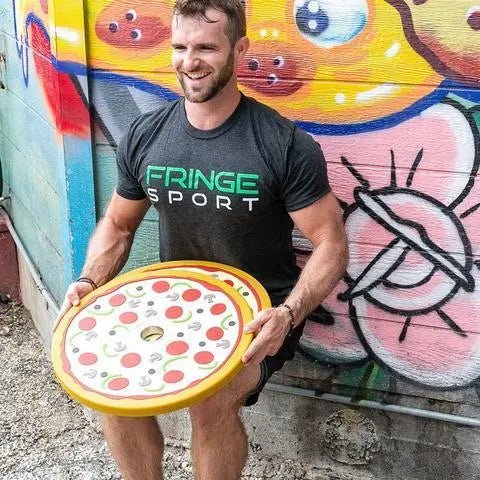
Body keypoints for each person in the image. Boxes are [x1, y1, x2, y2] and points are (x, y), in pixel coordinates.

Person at [57, 1, 348, 478]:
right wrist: (90, 280)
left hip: (260, 312)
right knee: (112, 390)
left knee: (212, 399)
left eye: (206, 48)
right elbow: (118, 225)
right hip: (174, 303)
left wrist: (288, 314)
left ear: (240, 49)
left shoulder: (284, 144)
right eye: (180, 47)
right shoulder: (146, 135)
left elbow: (331, 243)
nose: (189, 62)